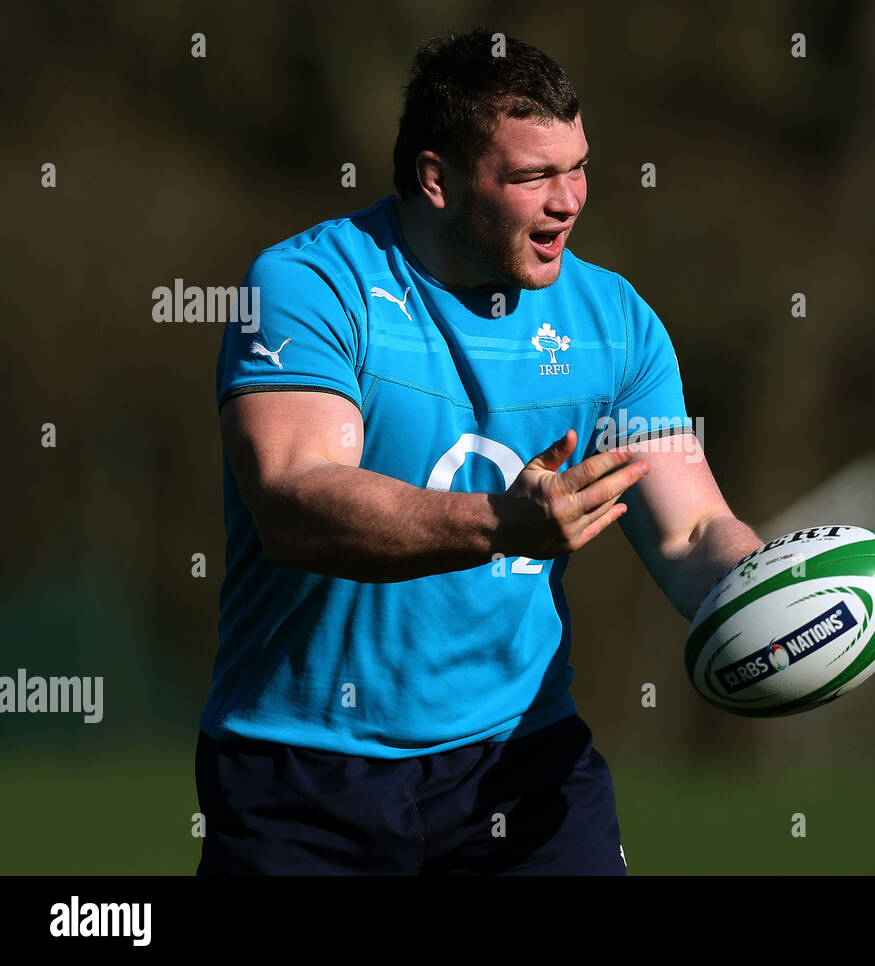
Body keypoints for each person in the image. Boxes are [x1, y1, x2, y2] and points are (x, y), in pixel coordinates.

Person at [196, 27, 762, 875]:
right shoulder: (311, 285)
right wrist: (503, 521)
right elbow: (296, 500)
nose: (569, 200)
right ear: (438, 179)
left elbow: (689, 534)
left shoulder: (614, 320)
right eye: (533, 176)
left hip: (520, 759)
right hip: (300, 770)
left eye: (578, 168)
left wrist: (769, 593)